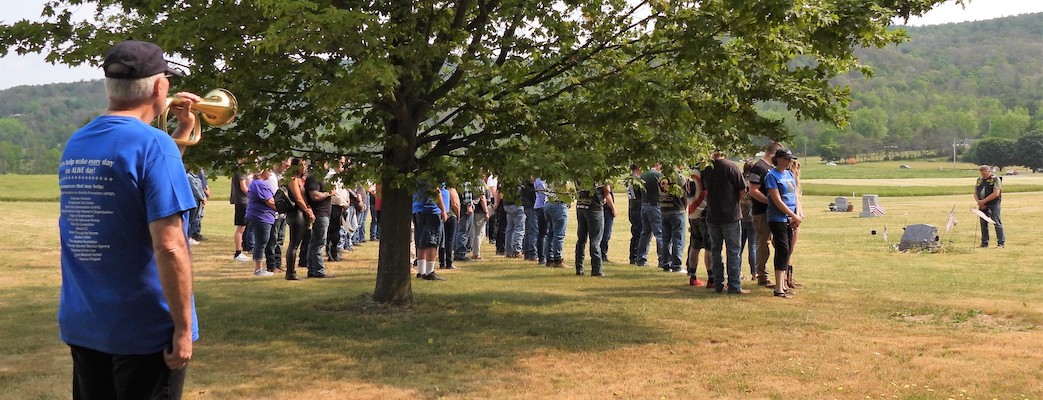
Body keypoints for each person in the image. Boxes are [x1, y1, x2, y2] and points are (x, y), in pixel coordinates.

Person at [58, 40, 201, 399]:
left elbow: (133, 178)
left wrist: (181, 134)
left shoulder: (78, 141)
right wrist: (183, 329)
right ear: (159, 86)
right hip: (145, 330)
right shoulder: (154, 146)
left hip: (86, 322)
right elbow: (170, 247)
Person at [703, 151, 750, 294]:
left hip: (712, 215)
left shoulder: (706, 168)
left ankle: (718, 284)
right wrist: (733, 202)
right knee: (733, 251)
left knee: (715, 251)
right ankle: (734, 285)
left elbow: (705, 190)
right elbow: (742, 190)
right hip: (731, 216)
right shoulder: (731, 166)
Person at [764, 149, 802, 298]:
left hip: (790, 218)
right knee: (782, 250)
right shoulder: (771, 176)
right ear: (778, 159)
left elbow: (794, 196)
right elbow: (777, 201)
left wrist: (797, 215)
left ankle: (784, 284)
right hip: (777, 218)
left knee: (788, 250)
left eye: (790, 159)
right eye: (786, 159)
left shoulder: (789, 174)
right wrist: (793, 215)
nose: (788, 162)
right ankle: (778, 288)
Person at [748, 142, 783, 286]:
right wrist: (771, 201)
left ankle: (783, 276)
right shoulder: (759, 167)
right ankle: (762, 276)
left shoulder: (771, 168)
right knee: (763, 244)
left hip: (774, 212)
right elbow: (753, 190)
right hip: (761, 212)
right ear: (774, 154)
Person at [283, 158, 313, 280]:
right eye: (301, 165)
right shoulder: (293, 179)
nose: (304, 167)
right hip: (296, 213)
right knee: (294, 244)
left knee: (298, 243)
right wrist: (307, 210)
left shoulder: (300, 179)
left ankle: (292, 270)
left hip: (300, 213)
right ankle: (290, 272)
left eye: (305, 164)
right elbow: (298, 198)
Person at [305, 161, 336, 278]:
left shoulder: (321, 178)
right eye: (325, 162)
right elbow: (315, 195)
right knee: (318, 243)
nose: (327, 164)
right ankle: (318, 270)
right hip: (320, 213)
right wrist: (328, 193)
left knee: (314, 243)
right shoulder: (313, 178)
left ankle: (312, 270)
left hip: (324, 213)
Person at [413, 181, 448, 280]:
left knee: (421, 242)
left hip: (417, 209)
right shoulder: (433, 176)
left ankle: (421, 271)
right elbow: (435, 191)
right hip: (431, 210)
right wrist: (443, 210)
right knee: (432, 241)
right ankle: (429, 272)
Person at [245, 169, 277, 277]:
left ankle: (260, 268)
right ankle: (258, 269)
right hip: (261, 216)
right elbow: (270, 201)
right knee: (261, 242)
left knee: (261, 241)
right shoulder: (260, 184)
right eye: (269, 171)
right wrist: (282, 208)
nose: (270, 174)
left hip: (260, 216)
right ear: (263, 172)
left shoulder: (256, 183)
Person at [575, 181, 609, 276]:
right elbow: (607, 189)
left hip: (581, 205)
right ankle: (596, 269)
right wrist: (602, 198)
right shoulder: (599, 173)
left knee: (581, 239)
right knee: (595, 239)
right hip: (594, 206)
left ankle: (579, 268)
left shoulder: (578, 173)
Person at [658, 169, 687, 273]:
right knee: (678, 239)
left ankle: (665, 263)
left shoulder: (661, 176)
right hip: (677, 210)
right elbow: (684, 193)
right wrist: (685, 207)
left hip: (664, 209)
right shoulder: (678, 176)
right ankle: (676, 265)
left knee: (666, 239)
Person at [635, 163, 664, 267]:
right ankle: (663, 259)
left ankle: (641, 259)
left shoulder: (642, 175)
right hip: (655, 205)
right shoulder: (657, 175)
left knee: (645, 234)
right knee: (660, 234)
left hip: (644, 205)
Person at [975, 164, 1005, 248]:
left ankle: (1001, 243)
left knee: (996, 222)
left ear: (989, 171)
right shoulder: (979, 180)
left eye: (984, 174)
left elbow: (996, 193)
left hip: (993, 204)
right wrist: (979, 202)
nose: (983, 176)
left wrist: (983, 201)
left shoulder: (995, 179)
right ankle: (984, 243)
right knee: (983, 223)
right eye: (981, 174)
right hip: (982, 204)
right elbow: (975, 192)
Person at [739, 161, 757, 280]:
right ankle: (754, 273)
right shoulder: (753, 182)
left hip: (740, 215)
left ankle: (738, 272)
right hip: (752, 216)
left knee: (739, 246)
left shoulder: (740, 180)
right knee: (753, 246)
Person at [230, 167, 252, 262]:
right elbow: (243, 187)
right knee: (240, 228)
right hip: (242, 201)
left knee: (243, 227)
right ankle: (238, 253)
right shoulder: (240, 171)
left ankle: (242, 248)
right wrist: (254, 195)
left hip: (244, 201)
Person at [626, 164, 643, 265]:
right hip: (637, 207)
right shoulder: (636, 180)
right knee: (638, 233)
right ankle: (635, 256)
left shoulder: (629, 179)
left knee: (636, 233)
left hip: (632, 206)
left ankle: (634, 256)